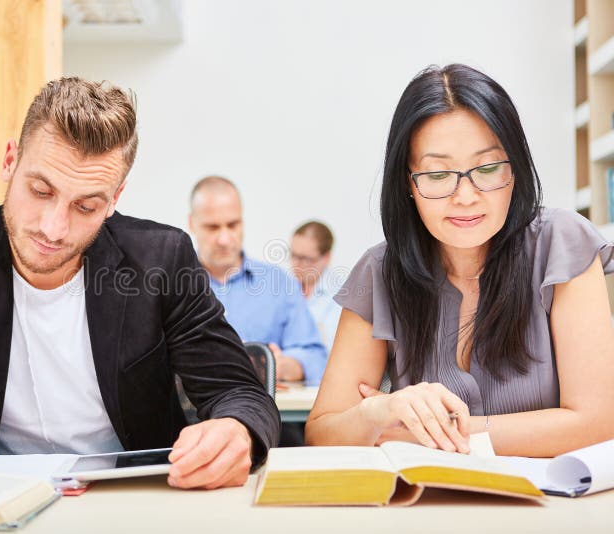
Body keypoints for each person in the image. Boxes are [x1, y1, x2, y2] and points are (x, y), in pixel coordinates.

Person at [0, 78, 280, 489]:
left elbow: (239, 391)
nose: (54, 229)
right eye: (41, 191)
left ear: (114, 199)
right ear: (10, 162)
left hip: (134, 500)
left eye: (86, 206)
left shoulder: (162, 260)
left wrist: (237, 431)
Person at [306, 64, 614, 457]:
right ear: (408, 182)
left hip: (552, 510)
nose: (465, 196)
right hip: (427, 510)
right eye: (437, 175)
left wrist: (422, 433)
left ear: (515, 169)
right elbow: (323, 431)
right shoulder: (380, 272)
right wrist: (377, 413)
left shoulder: (562, 243)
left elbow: (598, 423)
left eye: (487, 169)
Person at [187, 176, 327, 385]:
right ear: (192, 224)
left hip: (266, 412)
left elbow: (316, 359)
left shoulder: (279, 284)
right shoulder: (172, 285)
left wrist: (277, 365)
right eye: (212, 227)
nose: (224, 239)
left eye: (233, 225)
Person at [289, 221, 343, 353]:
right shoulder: (284, 288)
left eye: (305, 258)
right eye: (293, 255)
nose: (296, 264)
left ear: (326, 258)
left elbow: (332, 350)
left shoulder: (341, 297)